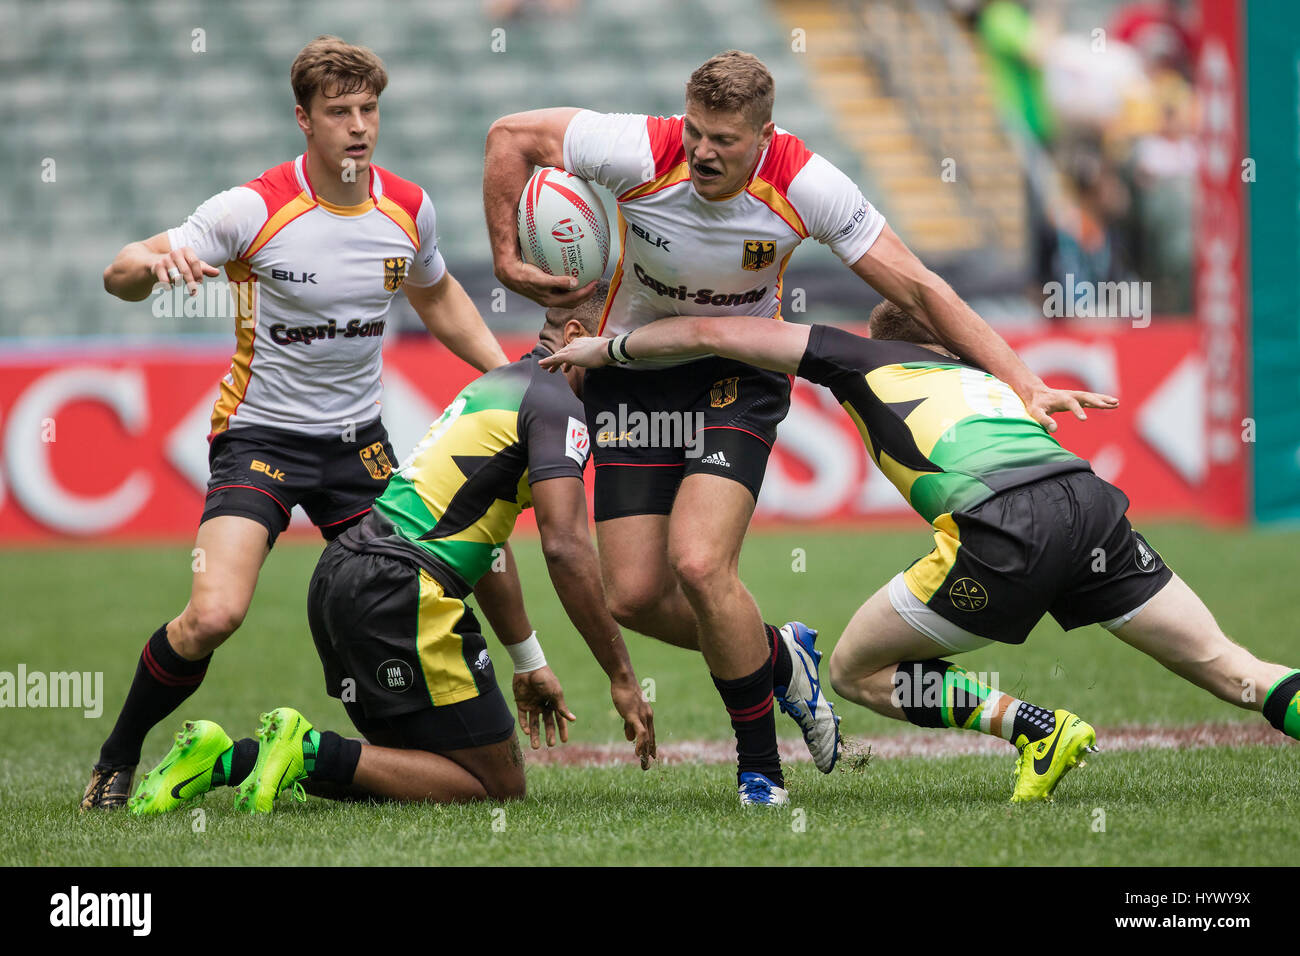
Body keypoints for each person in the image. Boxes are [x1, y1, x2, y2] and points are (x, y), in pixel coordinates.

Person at [484, 50, 1097, 805]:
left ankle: (759, 771)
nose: (704, 152)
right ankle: (784, 660)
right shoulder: (640, 148)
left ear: (765, 135)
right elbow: (510, 135)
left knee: (703, 567)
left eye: (726, 141)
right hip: (629, 371)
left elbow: (919, 287)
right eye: (697, 132)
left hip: (735, 375)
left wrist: (1021, 377)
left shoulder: (808, 184)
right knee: (635, 596)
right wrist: (508, 261)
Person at [540, 303, 1300, 801]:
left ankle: (1036, 727)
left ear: (889, 338)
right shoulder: (987, 377)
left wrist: (606, 347)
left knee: (852, 671)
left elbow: (710, 335)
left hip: (1006, 527)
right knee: (1234, 670)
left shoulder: (862, 357)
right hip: (1094, 507)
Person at [83, 36, 509, 810]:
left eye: (369, 109)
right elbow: (122, 273)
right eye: (338, 111)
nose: (358, 126)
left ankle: (368, 755)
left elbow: (437, 295)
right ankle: (115, 757)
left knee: (412, 590)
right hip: (260, 438)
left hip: (361, 444)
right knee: (215, 613)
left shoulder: (408, 208)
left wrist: (503, 371)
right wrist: (149, 267)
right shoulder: (253, 207)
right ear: (303, 120)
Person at [128, 285, 655, 813]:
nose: (626, 368)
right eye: (618, 350)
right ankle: (305, 749)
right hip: (402, 592)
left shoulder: (501, 385)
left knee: (409, 764)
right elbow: (565, 545)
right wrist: (623, 678)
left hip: (345, 578)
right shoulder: (559, 404)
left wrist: (528, 660)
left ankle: (225, 758)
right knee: (496, 786)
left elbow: (488, 543)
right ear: (576, 337)